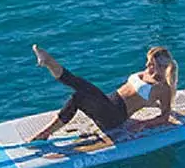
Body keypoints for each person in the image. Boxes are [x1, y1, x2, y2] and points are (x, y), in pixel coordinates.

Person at [29, 44, 176, 141]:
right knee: (77, 97)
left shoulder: (163, 88)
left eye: (151, 64)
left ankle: (48, 61)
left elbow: (165, 117)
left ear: (162, 66)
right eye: (148, 61)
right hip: (108, 104)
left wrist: (143, 124)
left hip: (114, 117)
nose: (146, 65)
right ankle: (46, 133)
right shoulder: (146, 73)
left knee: (80, 86)